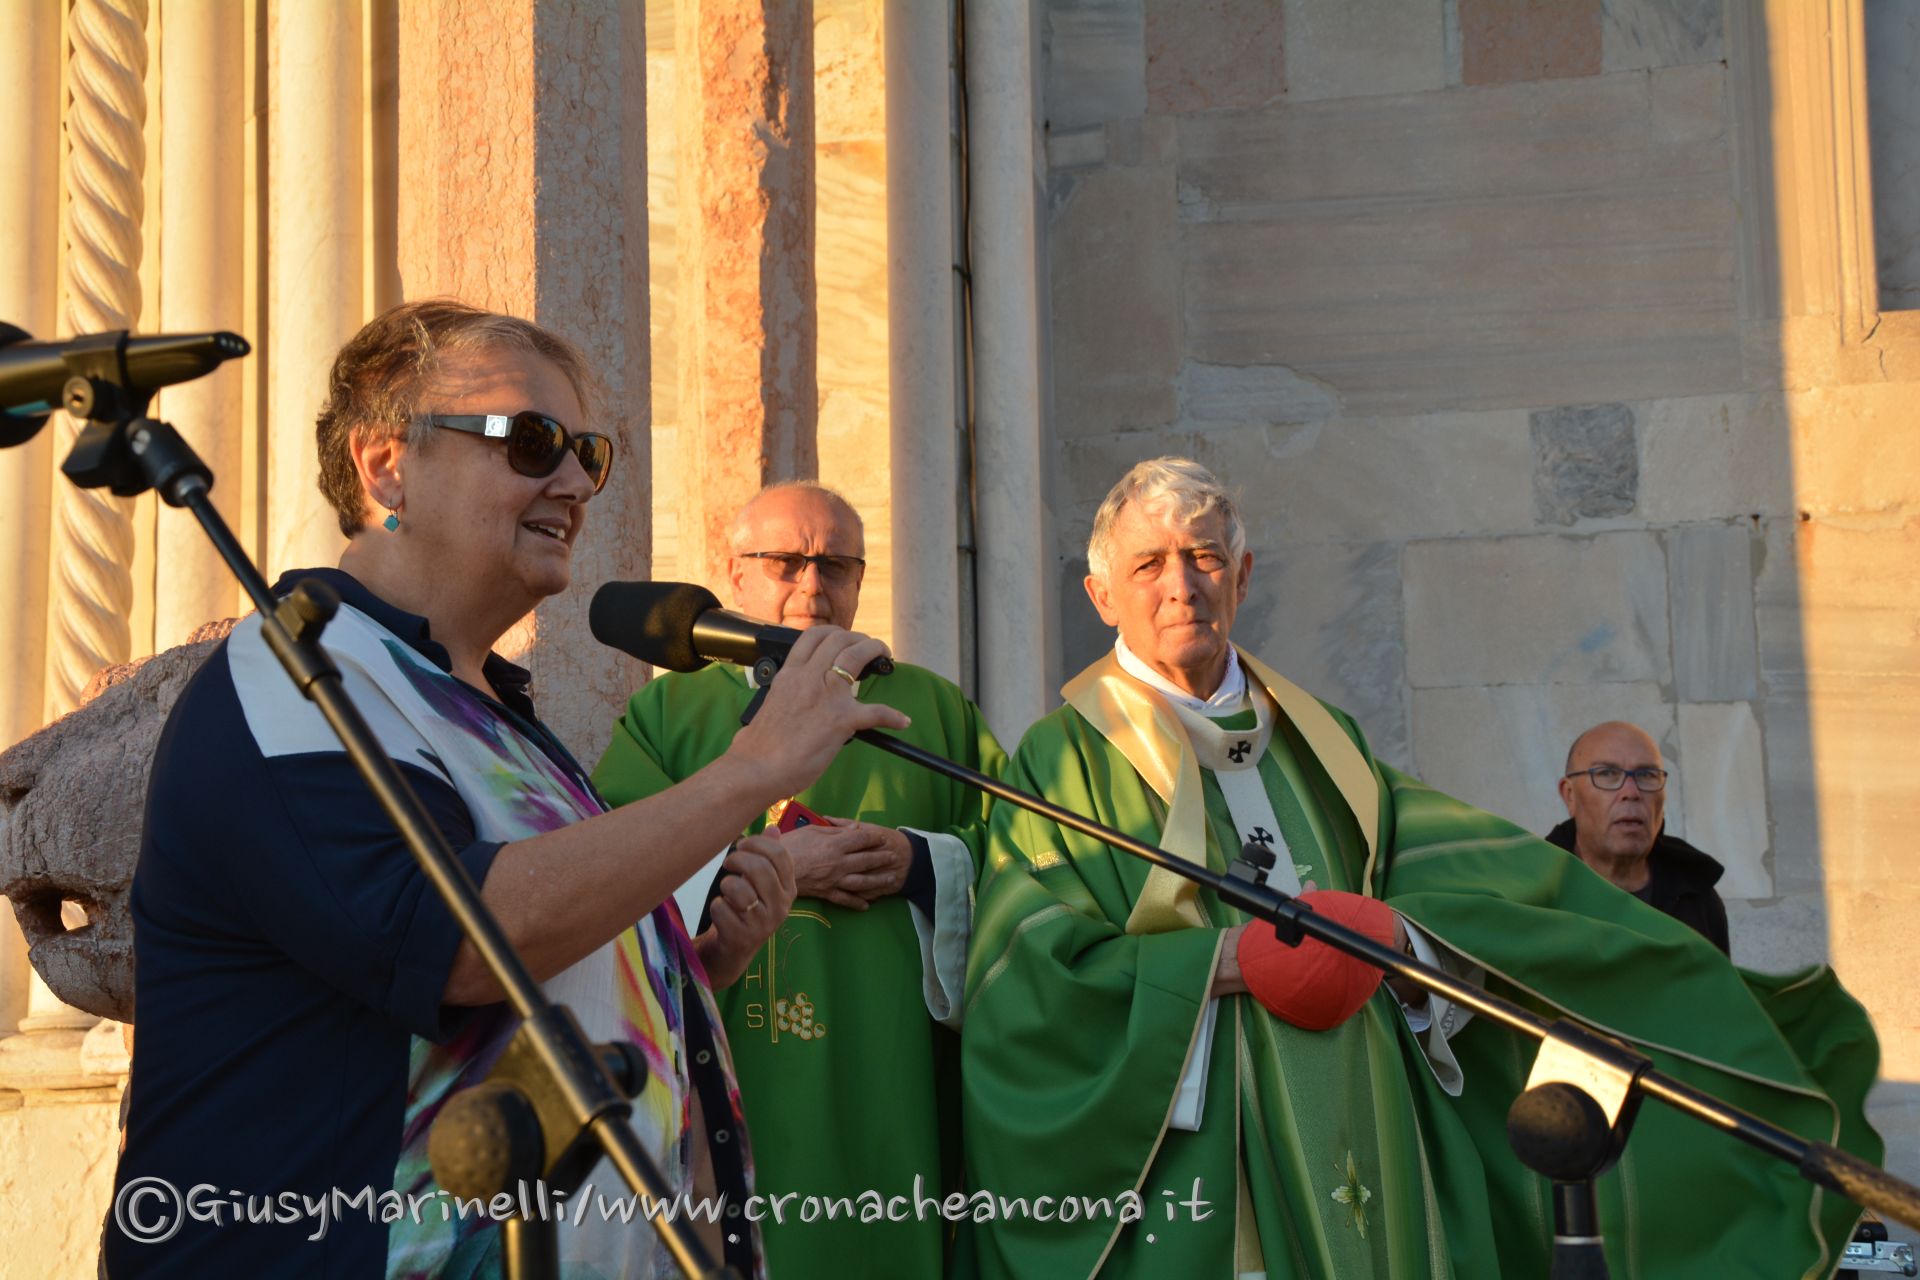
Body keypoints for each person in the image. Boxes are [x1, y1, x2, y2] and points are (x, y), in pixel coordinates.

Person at [107, 300, 907, 1279]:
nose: (574, 481)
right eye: (530, 441)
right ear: (386, 464)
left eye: (588, 453)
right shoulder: (299, 674)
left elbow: (534, 986)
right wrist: (752, 771)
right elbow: (453, 941)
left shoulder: (485, 714)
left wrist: (682, 958)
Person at [961, 456, 1880, 1280]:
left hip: (1373, 1110)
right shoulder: (1060, 761)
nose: (1180, 586)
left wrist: (1404, 940)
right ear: (1100, 595)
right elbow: (1029, 981)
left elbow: (1476, 891)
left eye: (1203, 558)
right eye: (1148, 564)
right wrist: (1224, 964)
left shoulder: (1324, 744)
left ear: (1242, 577)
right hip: (1206, 1153)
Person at [594, 480, 1005, 1280]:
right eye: (784, 562)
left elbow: (1023, 864)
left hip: (888, 1074)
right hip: (729, 1066)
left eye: (836, 565)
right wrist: (772, 866)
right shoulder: (667, 716)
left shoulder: (931, 710)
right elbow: (611, 872)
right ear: (734, 574)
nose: (811, 586)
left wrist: (922, 860)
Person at [1548, 720, 1731, 955]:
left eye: (1647, 775)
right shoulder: (1536, 895)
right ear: (1570, 795)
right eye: (1607, 774)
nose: (1631, 793)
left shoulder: (1696, 899)